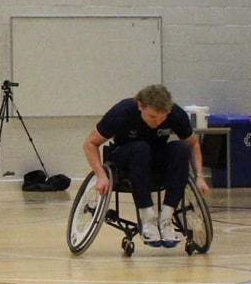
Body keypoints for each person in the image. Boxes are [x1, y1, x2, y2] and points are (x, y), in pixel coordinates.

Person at [83, 84, 208, 248]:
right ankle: (147, 218)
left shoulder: (176, 114)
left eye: (162, 118)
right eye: (152, 116)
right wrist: (100, 175)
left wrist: (200, 176)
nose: (158, 122)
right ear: (140, 106)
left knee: (180, 148)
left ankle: (166, 218)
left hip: (154, 155)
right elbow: (90, 143)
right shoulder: (123, 111)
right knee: (140, 148)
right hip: (124, 156)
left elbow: (193, 144)